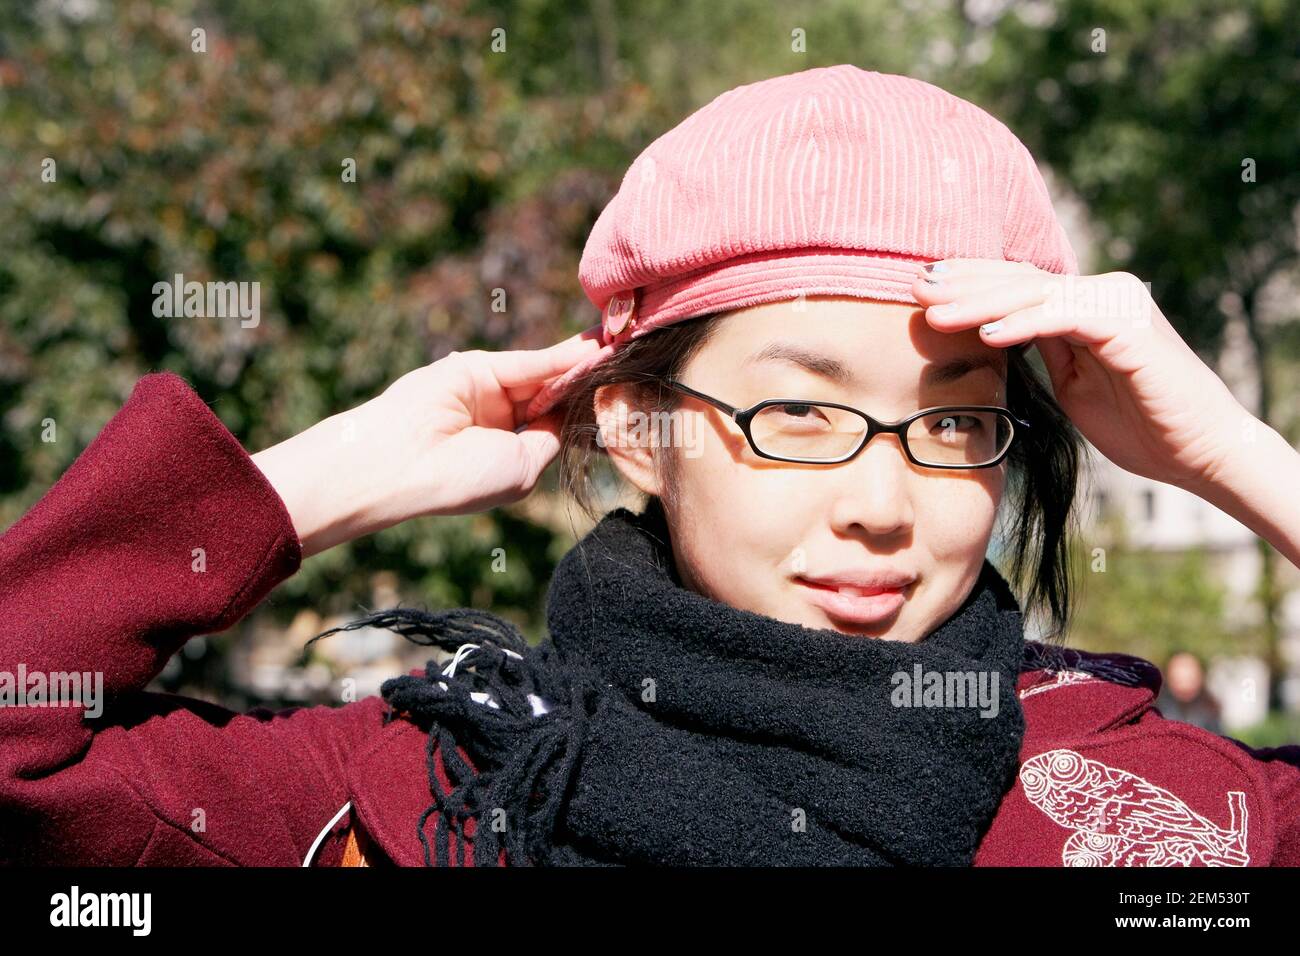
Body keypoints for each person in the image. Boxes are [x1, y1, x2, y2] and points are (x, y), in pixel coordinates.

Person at [2, 65, 1298, 868]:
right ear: (636, 427)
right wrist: (318, 480)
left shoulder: (1157, 814)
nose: (880, 504)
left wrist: (1239, 460)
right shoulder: (423, 794)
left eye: (954, 423)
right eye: (798, 411)